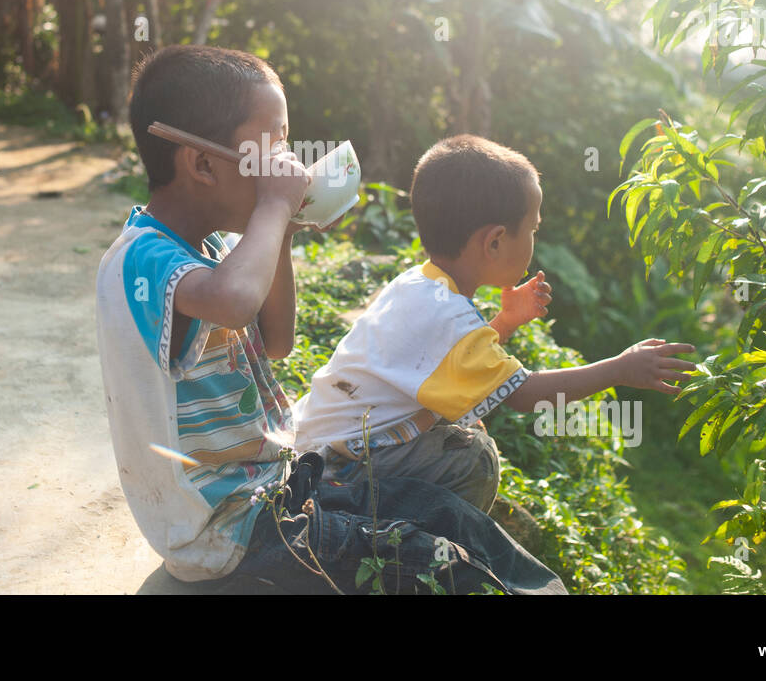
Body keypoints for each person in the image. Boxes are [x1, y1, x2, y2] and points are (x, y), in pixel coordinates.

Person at [95, 47, 567, 594]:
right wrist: (271, 209)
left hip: (278, 489)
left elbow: (276, 340)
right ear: (202, 164)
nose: (288, 164)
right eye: (273, 147)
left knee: (446, 514)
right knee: (437, 567)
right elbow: (232, 302)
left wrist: (283, 233)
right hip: (225, 532)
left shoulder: (220, 247)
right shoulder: (142, 259)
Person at [293, 134, 698, 513]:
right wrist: (620, 368)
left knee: (460, 419)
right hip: (333, 471)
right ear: (495, 242)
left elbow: (452, 362)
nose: (536, 237)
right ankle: (408, 544)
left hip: (315, 443)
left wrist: (504, 321)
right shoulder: (447, 314)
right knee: (475, 459)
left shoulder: (418, 284)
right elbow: (522, 396)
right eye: (534, 228)